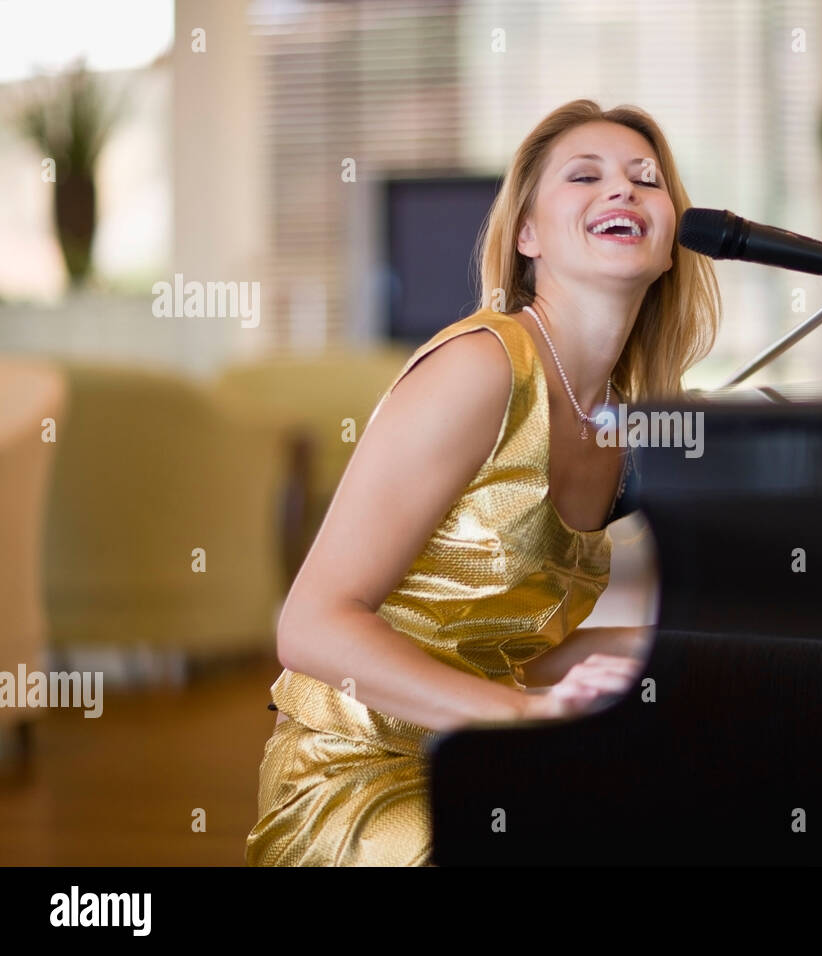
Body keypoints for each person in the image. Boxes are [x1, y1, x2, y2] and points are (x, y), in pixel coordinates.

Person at [245, 99, 721, 865]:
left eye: (647, 180)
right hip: (363, 778)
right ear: (527, 235)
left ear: (672, 245)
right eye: (586, 175)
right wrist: (526, 715)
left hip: (486, 757)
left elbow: (498, 648)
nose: (624, 190)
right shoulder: (481, 367)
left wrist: (680, 654)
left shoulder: (611, 422)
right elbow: (311, 626)